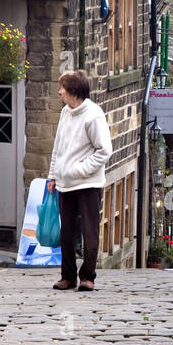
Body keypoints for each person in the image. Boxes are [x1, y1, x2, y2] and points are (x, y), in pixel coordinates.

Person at [47, 69, 112, 292]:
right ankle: (67, 277)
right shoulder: (66, 112)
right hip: (65, 182)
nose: (59, 92)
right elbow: (58, 147)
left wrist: (80, 170)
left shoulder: (93, 115)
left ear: (73, 91)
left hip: (88, 184)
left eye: (62, 88)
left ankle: (87, 276)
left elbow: (104, 151)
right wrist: (52, 175)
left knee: (89, 231)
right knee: (66, 233)